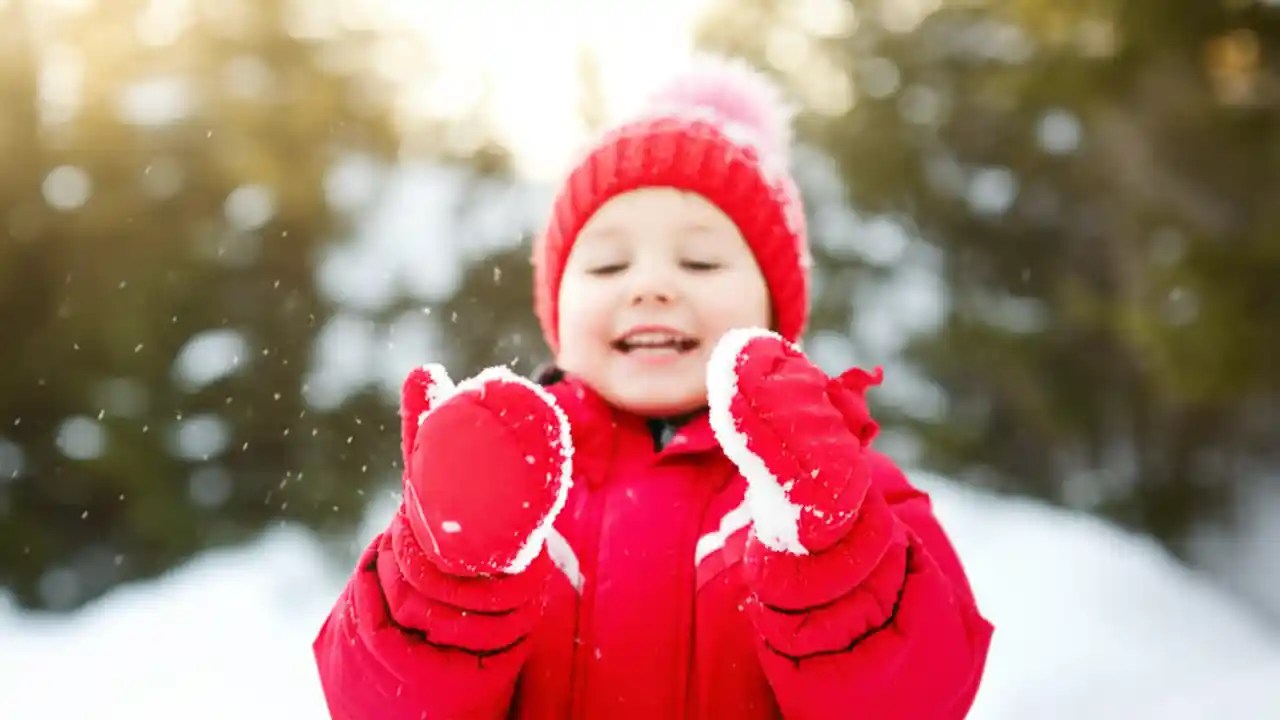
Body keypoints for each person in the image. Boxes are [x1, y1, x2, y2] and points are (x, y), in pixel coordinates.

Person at [312, 56, 993, 719]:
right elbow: (378, 706)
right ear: (556, 308)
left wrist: (836, 548)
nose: (651, 285)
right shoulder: (510, 486)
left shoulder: (844, 480)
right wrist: (447, 570)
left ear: (773, 310)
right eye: (608, 264)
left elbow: (922, 698)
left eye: (699, 260)